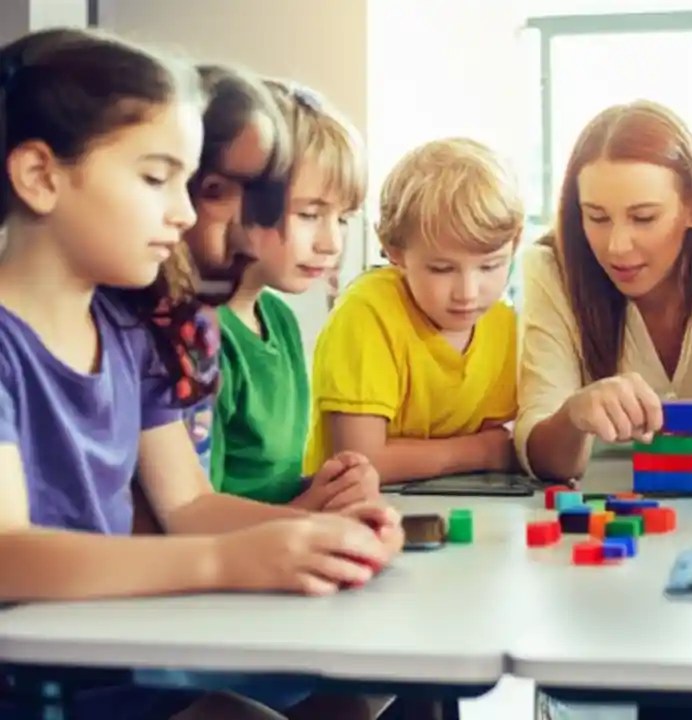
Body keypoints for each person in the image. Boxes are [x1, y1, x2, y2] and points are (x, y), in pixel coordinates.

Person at [0, 27, 401, 719]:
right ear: (40, 176)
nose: (184, 212)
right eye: (156, 178)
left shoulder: (128, 334)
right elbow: (8, 556)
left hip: (114, 666)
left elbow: (188, 505)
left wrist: (316, 538)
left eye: (188, 184)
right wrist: (228, 560)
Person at [515, 100, 692, 481]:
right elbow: (540, 455)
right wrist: (573, 415)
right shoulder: (551, 270)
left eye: (643, 218)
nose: (617, 246)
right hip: (602, 506)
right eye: (597, 217)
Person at [305, 138, 521, 483]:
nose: (468, 293)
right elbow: (361, 462)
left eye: (490, 266)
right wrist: (482, 452)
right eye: (441, 269)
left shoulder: (503, 325)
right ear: (395, 251)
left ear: (516, 243)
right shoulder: (367, 314)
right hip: (357, 509)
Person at [212, 79, 379, 511]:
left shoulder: (279, 319)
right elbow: (195, 517)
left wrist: (332, 487)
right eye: (309, 214)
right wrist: (309, 511)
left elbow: (268, 487)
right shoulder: (206, 337)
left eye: (343, 219)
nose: (331, 243)